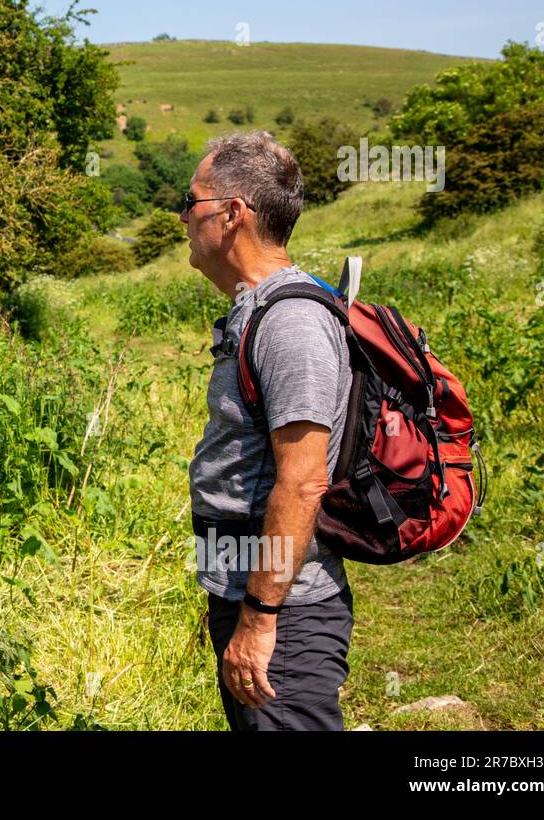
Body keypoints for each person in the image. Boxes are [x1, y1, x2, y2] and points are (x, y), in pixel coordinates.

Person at [182, 131, 354, 731]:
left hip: (287, 613)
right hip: (252, 591)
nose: (183, 217)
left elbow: (304, 480)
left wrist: (258, 614)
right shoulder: (256, 309)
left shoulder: (291, 323)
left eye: (191, 201)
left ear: (232, 215)